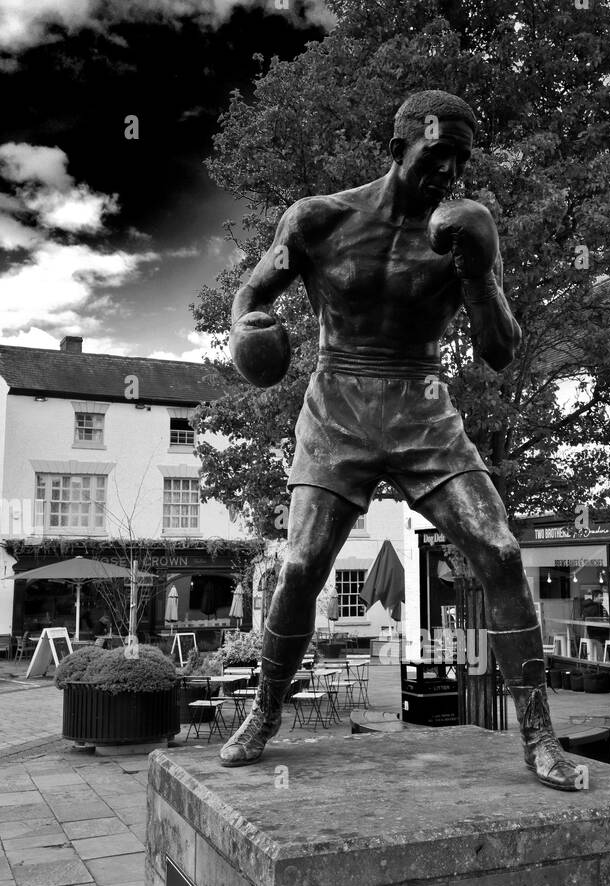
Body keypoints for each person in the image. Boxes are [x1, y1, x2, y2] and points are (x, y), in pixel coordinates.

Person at [220, 89, 583, 791]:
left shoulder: (465, 227)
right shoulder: (317, 219)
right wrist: (247, 334)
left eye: (459, 161)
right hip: (338, 403)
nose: (447, 172)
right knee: (300, 565)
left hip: (422, 402)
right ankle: (264, 711)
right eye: (435, 155)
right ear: (398, 148)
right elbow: (250, 296)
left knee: (500, 550)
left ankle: (540, 738)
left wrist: (478, 266)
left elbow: (501, 350)